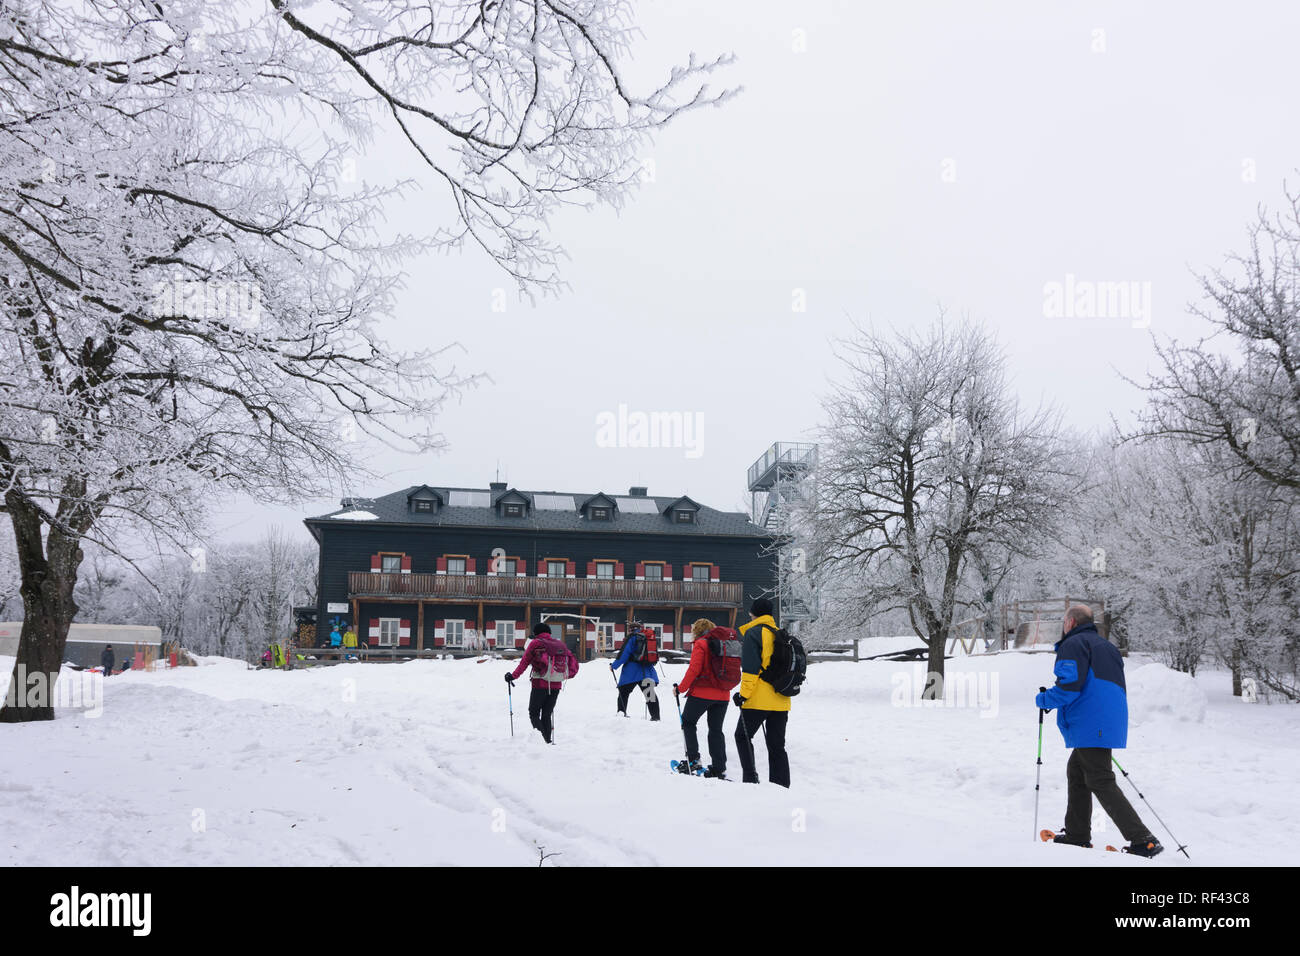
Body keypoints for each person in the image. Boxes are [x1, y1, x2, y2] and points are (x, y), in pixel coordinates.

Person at [1035, 604, 1163, 857]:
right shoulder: (1107, 647)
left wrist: (1044, 700)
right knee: (1077, 772)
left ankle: (1143, 839)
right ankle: (1077, 834)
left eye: (1064, 622)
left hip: (1090, 721)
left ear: (1071, 622)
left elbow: (1070, 687)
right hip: (1107, 720)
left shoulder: (1073, 645)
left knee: (1099, 778)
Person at [733, 598, 791, 787]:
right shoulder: (779, 633)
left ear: (753, 613)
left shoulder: (754, 633)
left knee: (742, 736)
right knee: (776, 746)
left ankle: (750, 779)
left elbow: (750, 669)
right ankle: (781, 785)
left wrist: (743, 695)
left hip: (759, 698)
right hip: (782, 698)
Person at [673, 619, 736, 778]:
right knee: (716, 730)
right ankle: (719, 767)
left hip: (702, 693)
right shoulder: (724, 644)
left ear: (697, 630)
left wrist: (680, 689)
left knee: (688, 722)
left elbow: (694, 670)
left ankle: (693, 761)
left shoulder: (701, 644)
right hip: (723, 694)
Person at [505, 623, 578, 744]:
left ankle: (542, 741)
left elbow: (524, 663)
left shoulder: (535, 643)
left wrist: (513, 676)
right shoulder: (560, 644)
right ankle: (548, 741)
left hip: (540, 683)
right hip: (556, 683)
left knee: (533, 713)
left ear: (536, 633)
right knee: (547, 714)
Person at [610, 622, 660, 720]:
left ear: (630, 629)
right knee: (649, 693)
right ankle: (655, 717)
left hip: (631, 671)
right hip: (646, 670)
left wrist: (614, 666)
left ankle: (621, 714)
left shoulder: (632, 637)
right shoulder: (647, 637)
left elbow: (624, 654)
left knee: (623, 692)